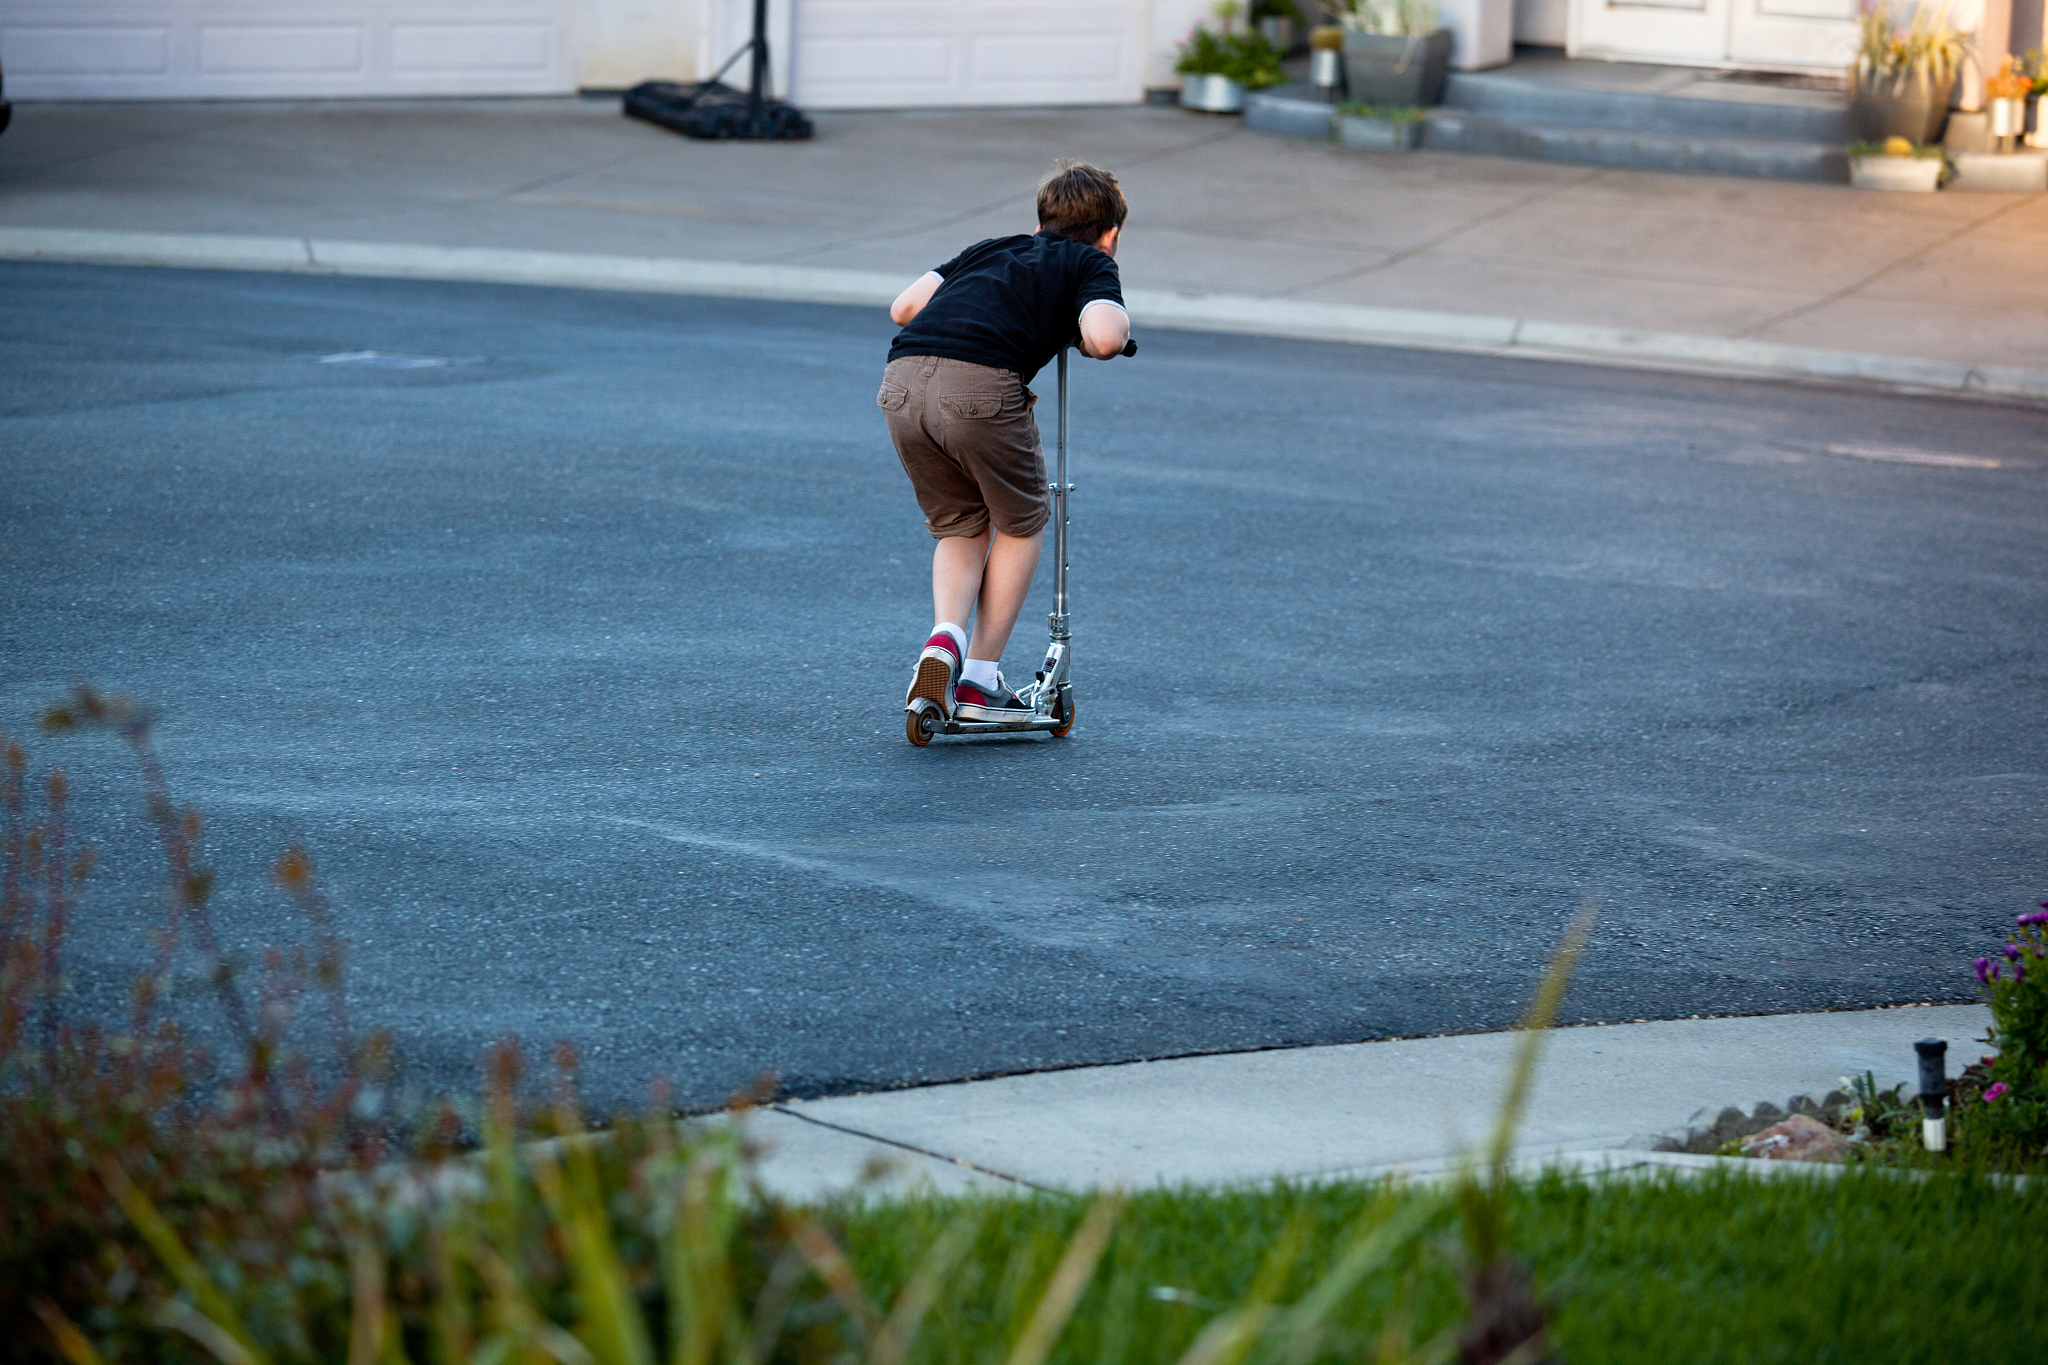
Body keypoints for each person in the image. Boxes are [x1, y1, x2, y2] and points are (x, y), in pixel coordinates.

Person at [879, 160, 1132, 724]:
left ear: (1040, 220)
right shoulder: (1090, 261)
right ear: (1111, 233)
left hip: (901, 382)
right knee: (1021, 523)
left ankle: (945, 639)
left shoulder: (990, 248)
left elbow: (903, 308)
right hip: (980, 385)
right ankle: (978, 677)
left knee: (960, 523)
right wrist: (1093, 328)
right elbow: (1105, 337)